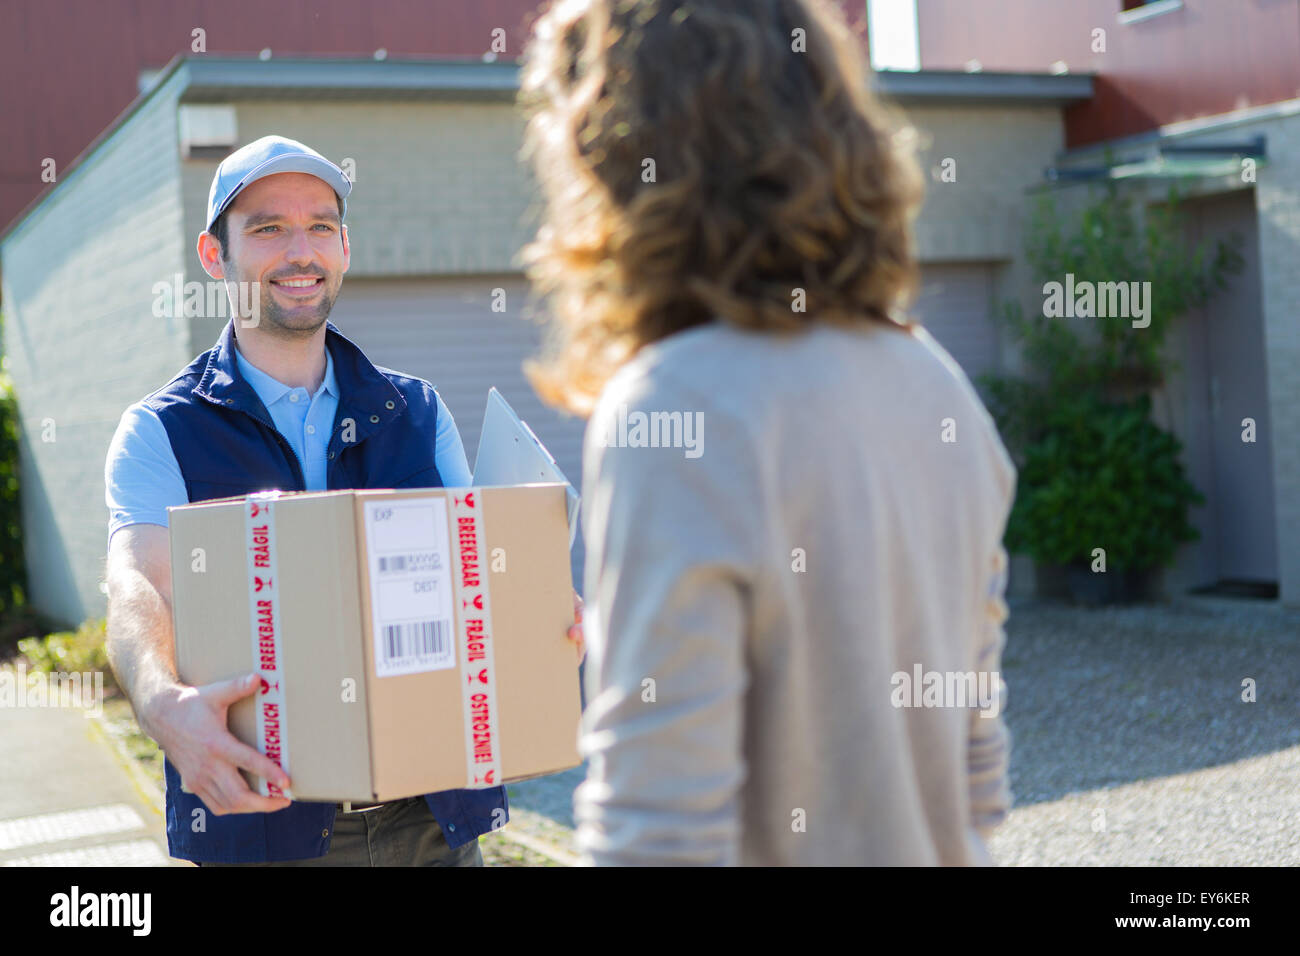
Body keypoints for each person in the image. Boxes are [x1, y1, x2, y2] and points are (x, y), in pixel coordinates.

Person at [518, 0, 1016, 865]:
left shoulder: (674, 407)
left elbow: (658, 836)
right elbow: (977, 782)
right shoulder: (939, 388)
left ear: (614, 155)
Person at [103, 135, 584, 866]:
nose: (301, 251)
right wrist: (159, 701)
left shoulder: (417, 412)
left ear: (345, 247)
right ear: (213, 255)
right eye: (267, 228)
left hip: (434, 817)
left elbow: (476, 575)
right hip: (268, 824)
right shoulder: (162, 430)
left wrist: (541, 612)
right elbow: (141, 584)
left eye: (321, 226)